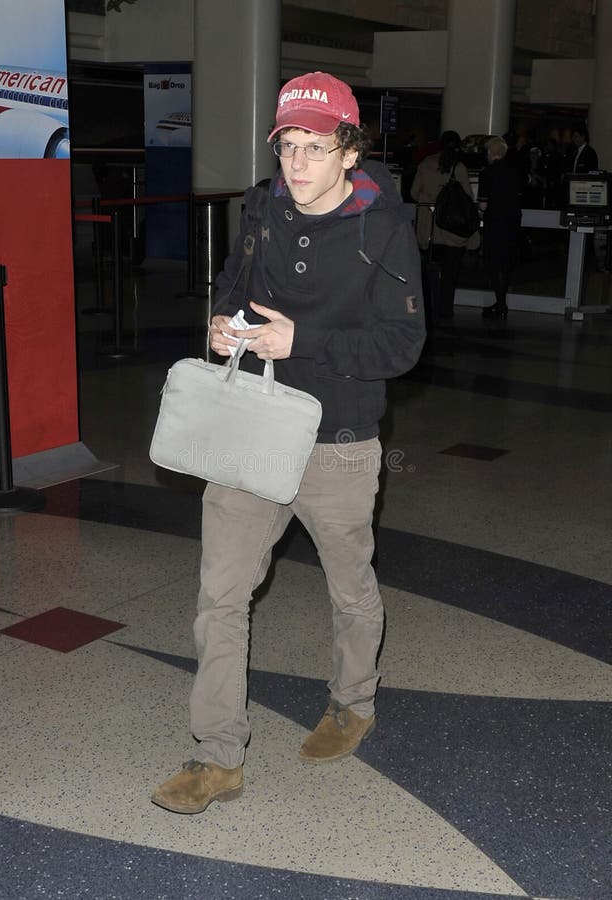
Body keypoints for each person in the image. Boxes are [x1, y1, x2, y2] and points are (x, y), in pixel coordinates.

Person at [151, 71, 426, 814]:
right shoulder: (262, 208)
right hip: (253, 427)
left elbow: (403, 344)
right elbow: (235, 282)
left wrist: (303, 339)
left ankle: (354, 701)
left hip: (337, 437)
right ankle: (217, 755)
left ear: (348, 152)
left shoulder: (385, 227)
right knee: (220, 594)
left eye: (314, 147)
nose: (297, 165)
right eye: (288, 147)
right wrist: (225, 323)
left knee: (349, 584)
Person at [411, 130, 479, 322]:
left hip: (429, 229)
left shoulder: (426, 164)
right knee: (450, 274)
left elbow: (414, 193)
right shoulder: (459, 167)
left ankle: (428, 308)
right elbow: (468, 198)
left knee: (428, 270)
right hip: (453, 231)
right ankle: (445, 310)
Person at [477, 136, 523, 320]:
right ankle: (501, 302)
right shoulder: (515, 172)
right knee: (506, 263)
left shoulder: (487, 173)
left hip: (494, 224)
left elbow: (483, 206)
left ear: (490, 152)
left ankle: (500, 303)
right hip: (511, 223)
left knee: (494, 264)